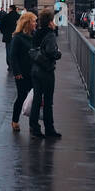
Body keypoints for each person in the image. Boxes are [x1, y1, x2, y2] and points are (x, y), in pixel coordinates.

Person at [27, 9, 62, 138]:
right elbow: (52, 52)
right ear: (50, 22)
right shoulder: (50, 35)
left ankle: (34, 127)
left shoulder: (36, 33)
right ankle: (49, 129)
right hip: (46, 71)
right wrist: (58, 53)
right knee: (47, 102)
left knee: (36, 100)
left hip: (35, 70)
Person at [8, 11, 37, 132]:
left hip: (34, 72)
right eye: (34, 21)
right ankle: (15, 121)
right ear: (28, 23)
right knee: (21, 97)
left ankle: (33, 123)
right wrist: (17, 73)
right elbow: (13, 56)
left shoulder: (34, 36)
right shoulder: (18, 38)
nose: (36, 23)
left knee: (35, 98)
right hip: (22, 74)